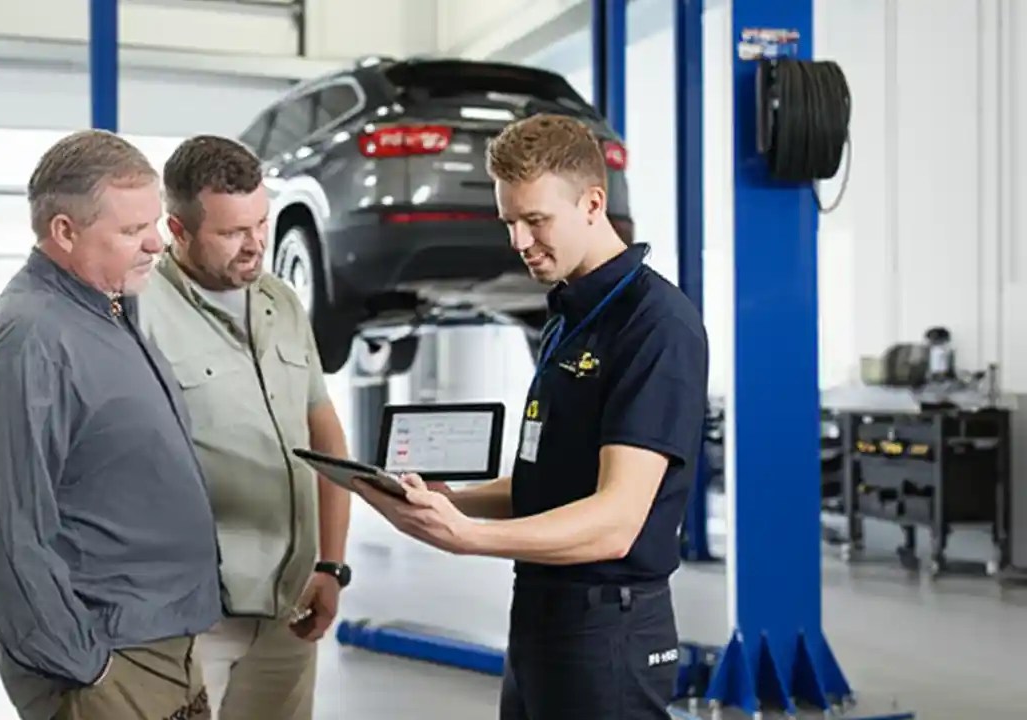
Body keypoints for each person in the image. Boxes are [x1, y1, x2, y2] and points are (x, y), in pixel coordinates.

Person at [354, 114, 709, 719]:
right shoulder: (568, 317)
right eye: (509, 222)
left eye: (536, 220)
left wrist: (469, 538)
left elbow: (615, 522)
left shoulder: (656, 325)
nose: (518, 241)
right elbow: (549, 484)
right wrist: (451, 500)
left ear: (592, 204)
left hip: (607, 629)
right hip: (540, 613)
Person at [0, 129, 221, 720]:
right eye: (131, 229)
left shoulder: (111, 308)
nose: (155, 243)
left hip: (161, 639)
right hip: (108, 659)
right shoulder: (34, 339)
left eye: (154, 222)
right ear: (64, 231)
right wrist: (84, 664)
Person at [137, 135, 353, 720]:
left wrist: (331, 565)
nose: (256, 244)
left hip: (290, 606)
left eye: (262, 222)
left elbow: (325, 435)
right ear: (177, 230)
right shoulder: (140, 313)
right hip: (192, 619)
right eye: (233, 232)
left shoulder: (282, 301)